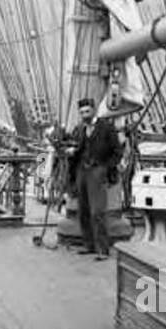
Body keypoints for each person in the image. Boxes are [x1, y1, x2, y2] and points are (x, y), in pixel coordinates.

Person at [67, 94, 124, 259]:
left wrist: (106, 167)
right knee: (83, 211)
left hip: (97, 171)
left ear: (93, 111)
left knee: (97, 211)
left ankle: (103, 249)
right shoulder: (79, 130)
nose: (85, 114)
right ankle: (89, 245)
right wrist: (71, 152)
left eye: (87, 111)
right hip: (81, 171)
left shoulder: (106, 128)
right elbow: (75, 147)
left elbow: (117, 151)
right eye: (82, 112)